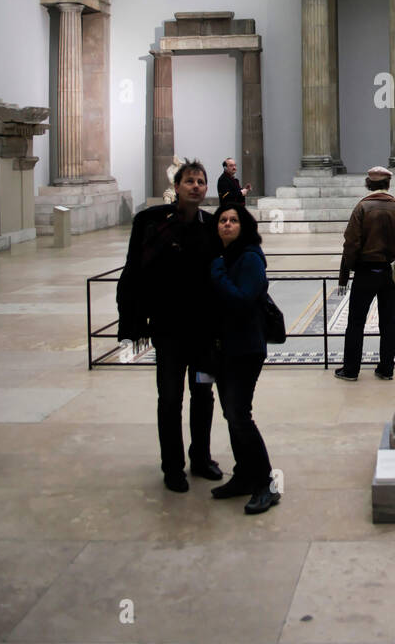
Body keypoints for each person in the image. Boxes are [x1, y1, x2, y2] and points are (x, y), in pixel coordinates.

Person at [116, 159, 222, 493]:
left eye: (201, 182)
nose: (195, 186)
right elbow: (134, 271)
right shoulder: (151, 222)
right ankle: (172, 466)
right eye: (189, 181)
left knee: (203, 394)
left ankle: (201, 457)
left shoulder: (213, 224)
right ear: (176, 187)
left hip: (204, 330)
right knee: (170, 397)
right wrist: (133, 321)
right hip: (169, 328)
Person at [209, 204, 280, 515]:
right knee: (231, 413)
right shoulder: (225, 256)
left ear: (244, 226)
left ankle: (264, 483)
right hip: (225, 346)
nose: (227, 225)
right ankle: (242, 475)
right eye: (222, 220)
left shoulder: (249, 257)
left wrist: (217, 273)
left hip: (246, 348)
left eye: (233, 220)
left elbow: (242, 299)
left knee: (239, 414)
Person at [334, 166, 395, 381]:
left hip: (365, 272)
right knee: (388, 323)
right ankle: (386, 368)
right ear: (388, 184)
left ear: (368, 184)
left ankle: (351, 369)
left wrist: (344, 276)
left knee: (356, 322)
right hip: (389, 273)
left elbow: (350, 245)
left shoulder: (362, 208)